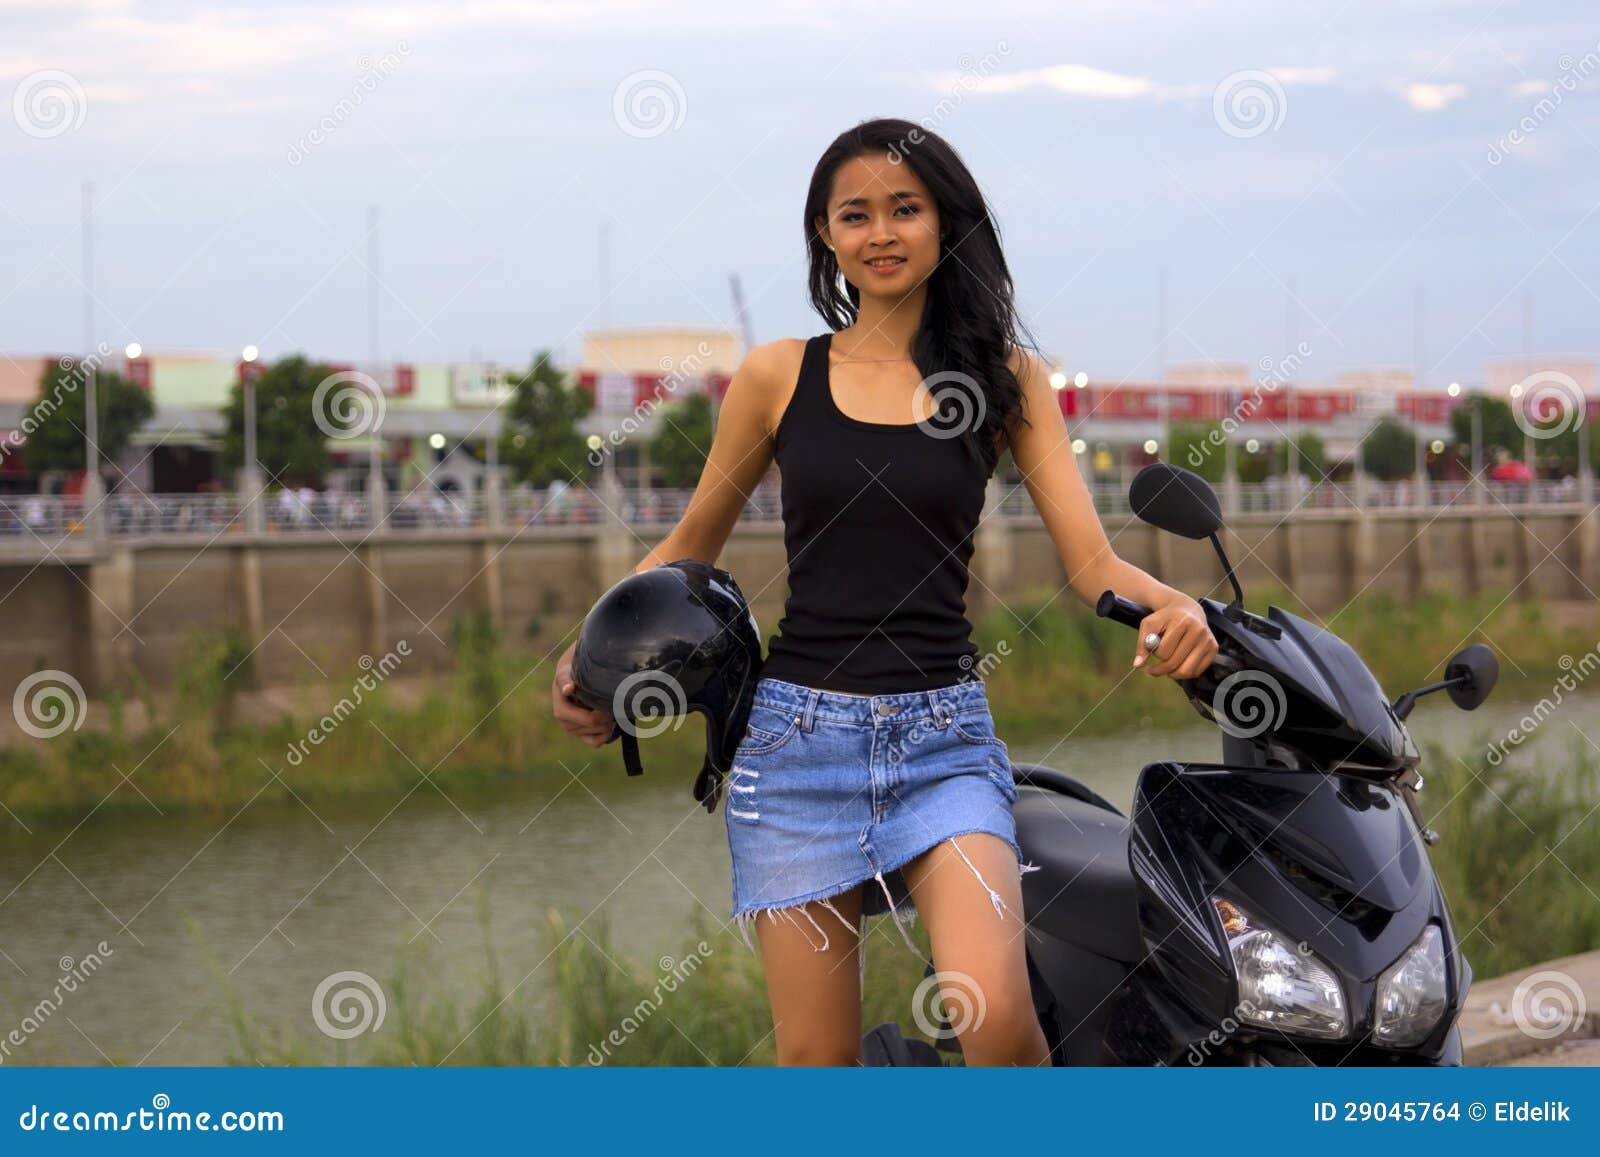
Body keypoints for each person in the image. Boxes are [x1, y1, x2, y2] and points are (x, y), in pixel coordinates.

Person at [551, 117, 1218, 1067]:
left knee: (997, 1025)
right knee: (817, 1066)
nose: (881, 232)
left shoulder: (1005, 380)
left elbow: (1092, 563)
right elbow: (687, 547)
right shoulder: (779, 374)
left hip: (943, 744)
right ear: (825, 234)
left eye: (904, 208)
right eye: (853, 214)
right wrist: (584, 662)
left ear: (945, 221)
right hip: (793, 749)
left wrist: (1175, 604)